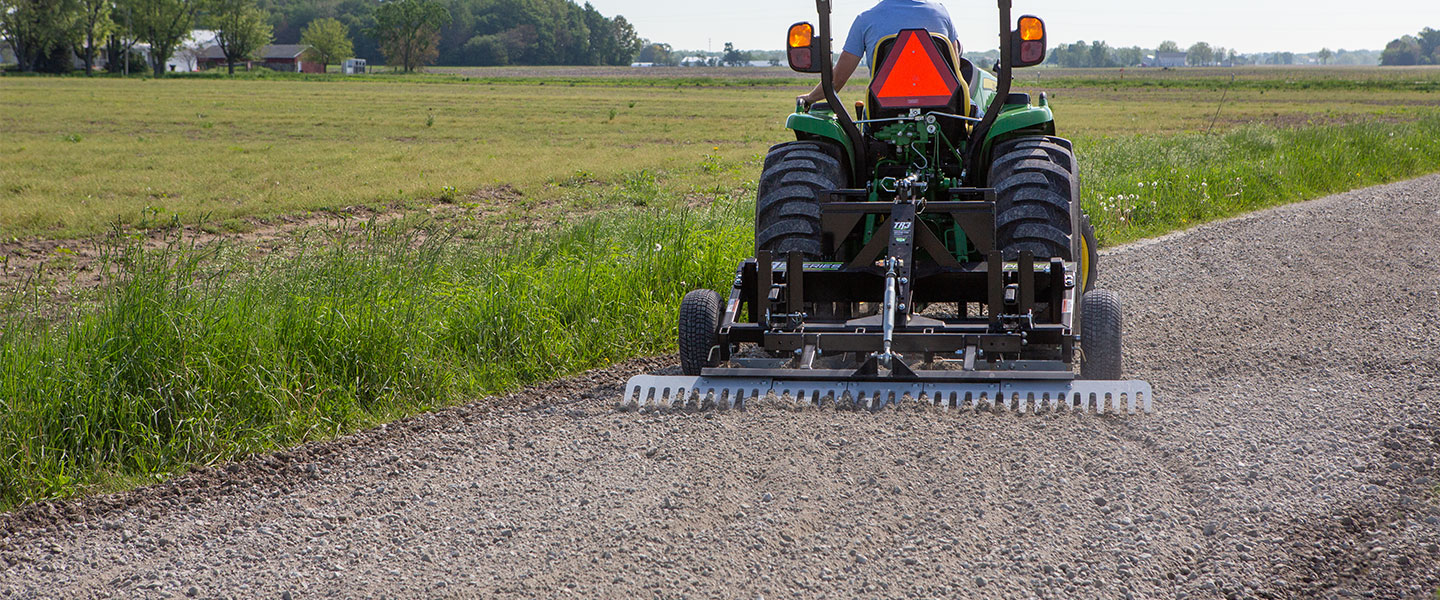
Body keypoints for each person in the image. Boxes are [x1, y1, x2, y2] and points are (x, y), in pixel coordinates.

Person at [798, 0, 962, 108]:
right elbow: (955, 69)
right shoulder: (941, 13)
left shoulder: (866, 19)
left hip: (883, 115)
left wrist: (810, 98)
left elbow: (838, 79)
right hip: (945, 111)